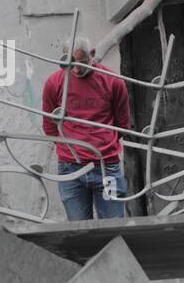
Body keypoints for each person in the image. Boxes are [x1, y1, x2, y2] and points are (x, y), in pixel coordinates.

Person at [41, 35, 132, 219]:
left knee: (113, 227)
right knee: (80, 231)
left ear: (92, 54)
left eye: (82, 62)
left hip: (107, 167)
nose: (76, 69)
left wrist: (102, 144)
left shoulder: (113, 81)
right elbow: (50, 127)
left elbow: (123, 126)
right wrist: (69, 150)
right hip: (70, 170)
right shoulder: (54, 83)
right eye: (71, 63)